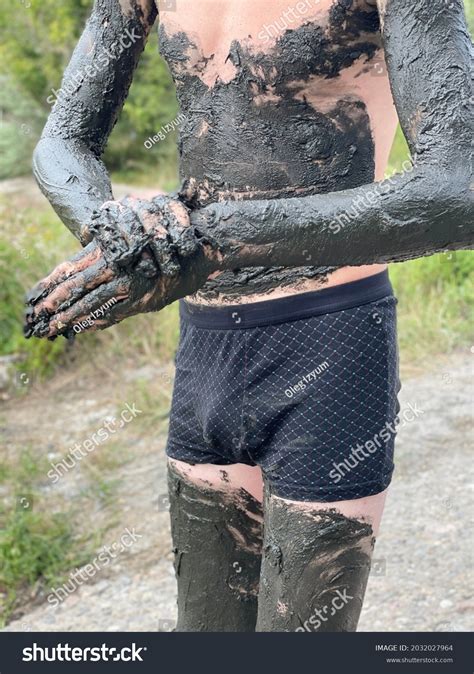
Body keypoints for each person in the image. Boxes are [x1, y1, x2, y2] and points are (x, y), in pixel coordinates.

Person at [25, 0, 472, 631]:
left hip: (329, 339)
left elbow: (458, 187)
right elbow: (62, 143)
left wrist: (215, 240)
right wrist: (119, 235)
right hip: (206, 344)